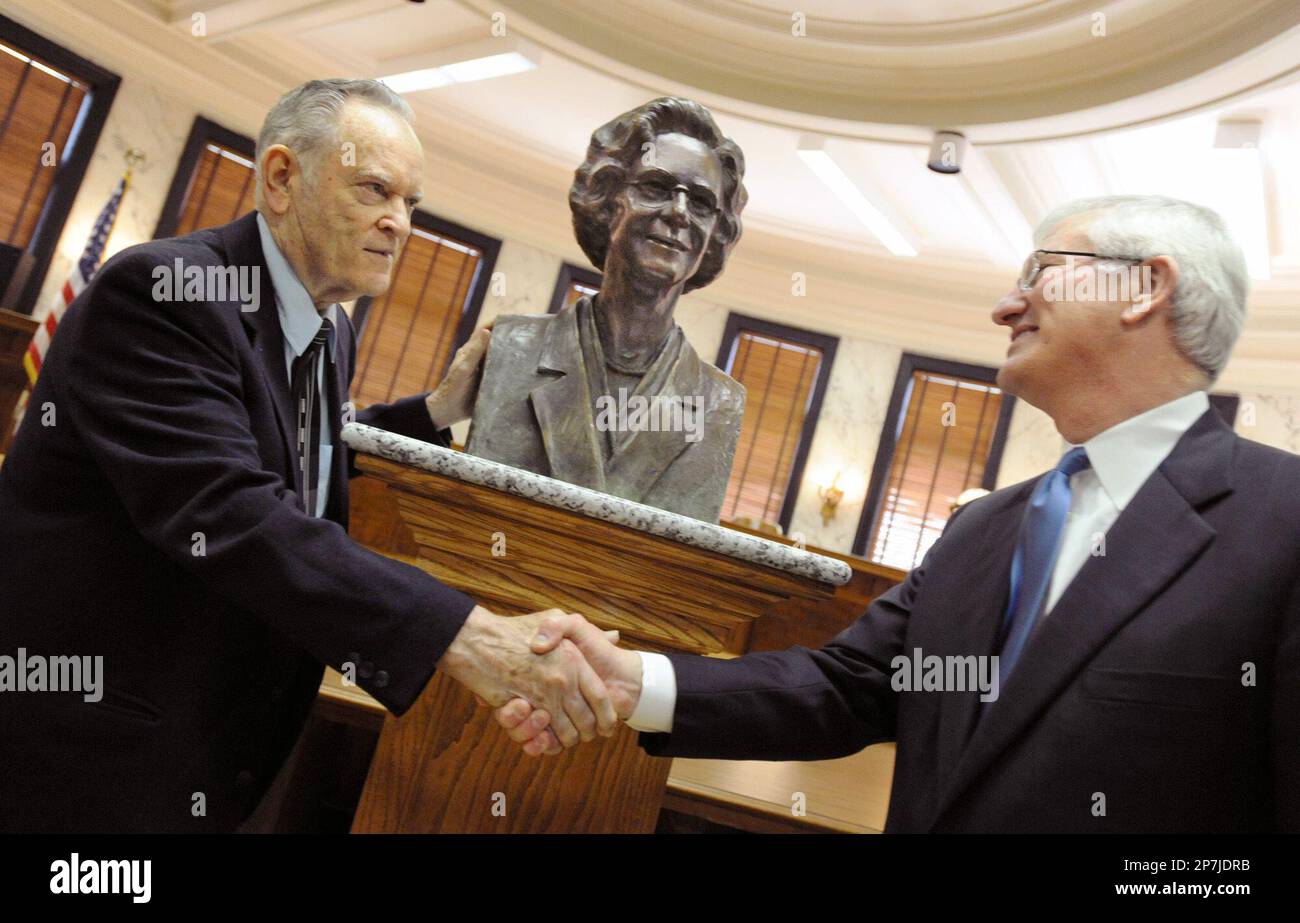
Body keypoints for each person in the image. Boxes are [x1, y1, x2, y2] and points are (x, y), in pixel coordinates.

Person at [496, 195, 1300, 833]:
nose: (1004, 306)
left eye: (1040, 272)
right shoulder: (984, 529)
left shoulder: (1285, 521)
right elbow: (844, 689)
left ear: (1143, 288)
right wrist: (630, 678)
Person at [0, 78, 614, 833]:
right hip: (91, 751)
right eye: (376, 190)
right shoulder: (166, 294)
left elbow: (296, 463)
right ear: (282, 177)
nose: (400, 224)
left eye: (412, 204)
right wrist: (471, 635)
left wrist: (437, 408)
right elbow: (233, 510)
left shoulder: (331, 326)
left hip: (214, 745)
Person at [465, 97, 748, 522]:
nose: (679, 212)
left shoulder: (719, 402)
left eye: (702, 204)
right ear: (608, 200)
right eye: (656, 187)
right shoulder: (513, 346)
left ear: (715, 233)